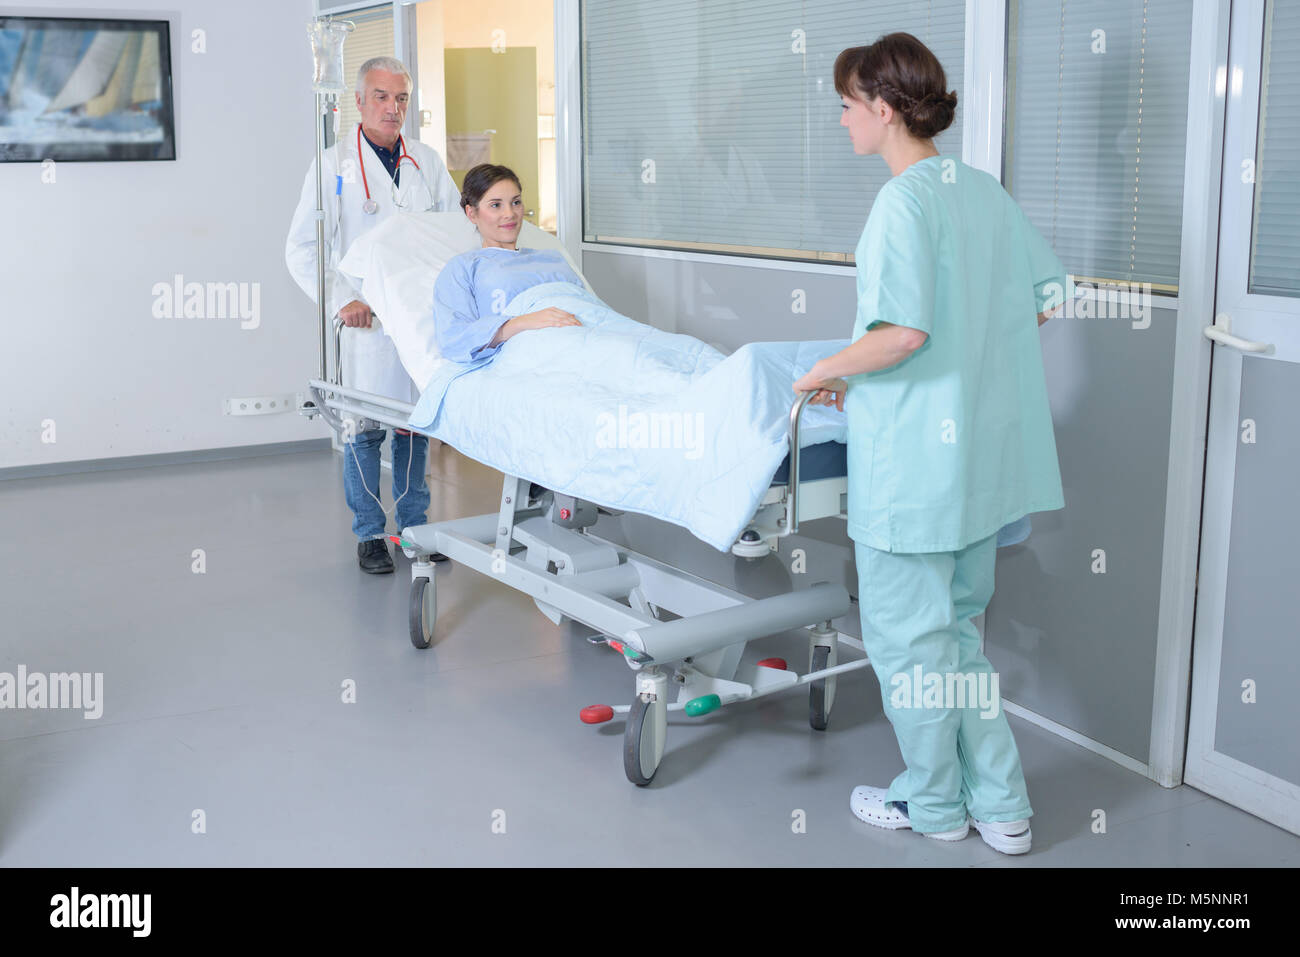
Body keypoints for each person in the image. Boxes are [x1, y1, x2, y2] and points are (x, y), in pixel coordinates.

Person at [793, 32, 1068, 855]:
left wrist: (824, 371)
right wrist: (970, 360)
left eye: (847, 106)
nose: (842, 121)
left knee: (911, 647)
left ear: (881, 108)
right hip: (979, 467)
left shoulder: (904, 201)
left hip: (915, 472)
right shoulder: (981, 191)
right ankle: (1004, 807)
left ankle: (935, 807)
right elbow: (1045, 297)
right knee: (956, 638)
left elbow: (904, 332)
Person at [286, 56, 461, 574]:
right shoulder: (332, 164)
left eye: (402, 98)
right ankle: (369, 533)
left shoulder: (426, 162)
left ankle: (413, 529)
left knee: (414, 428)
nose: (393, 108)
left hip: (417, 321)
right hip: (366, 326)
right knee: (364, 431)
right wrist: (343, 298)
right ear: (358, 103)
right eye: (381, 97)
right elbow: (302, 248)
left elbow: (452, 234)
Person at [433, 164, 582, 363]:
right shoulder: (465, 268)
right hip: (533, 357)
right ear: (472, 213)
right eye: (496, 205)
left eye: (516, 202)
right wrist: (521, 323)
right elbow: (455, 339)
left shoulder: (553, 258)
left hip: (582, 340)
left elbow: (587, 307)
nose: (510, 214)